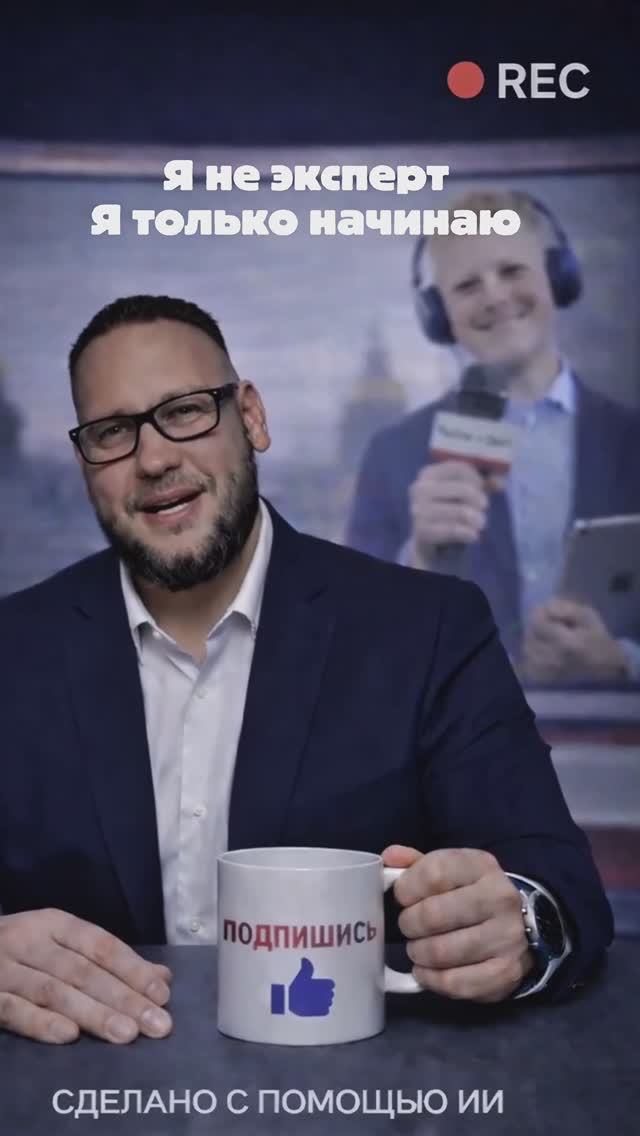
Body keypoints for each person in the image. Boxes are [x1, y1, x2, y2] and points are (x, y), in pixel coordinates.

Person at [0, 295, 612, 1047]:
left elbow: (558, 882)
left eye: (185, 412)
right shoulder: (12, 650)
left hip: (362, 1091)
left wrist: (517, 924)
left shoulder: (429, 629)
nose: (153, 459)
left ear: (251, 417)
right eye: (112, 433)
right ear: (85, 463)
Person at [345, 189, 640, 684]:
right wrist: (420, 559)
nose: (495, 297)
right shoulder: (391, 456)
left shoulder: (630, 441)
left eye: (511, 270)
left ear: (557, 277)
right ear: (439, 316)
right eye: (467, 286)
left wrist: (621, 662)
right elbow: (355, 647)